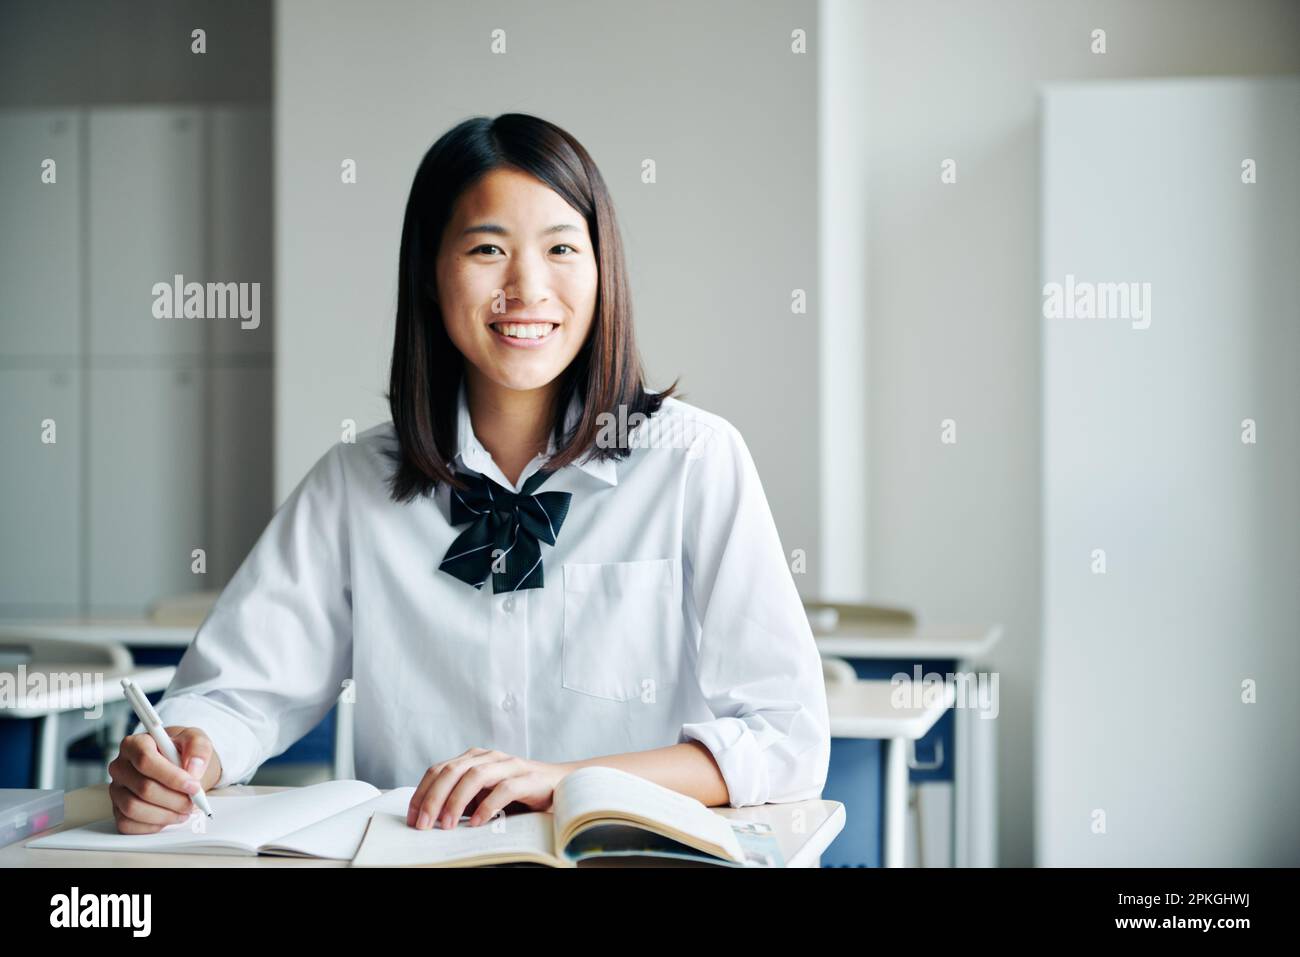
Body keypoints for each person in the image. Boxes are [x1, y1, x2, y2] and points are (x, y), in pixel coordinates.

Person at [108, 113, 829, 835]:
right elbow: (235, 694)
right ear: (430, 269)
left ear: (603, 268)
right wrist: (186, 756)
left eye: (561, 249)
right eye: (488, 247)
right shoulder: (353, 483)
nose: (527, 287)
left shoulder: (694, 462)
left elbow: (785, 738)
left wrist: (563, 782)